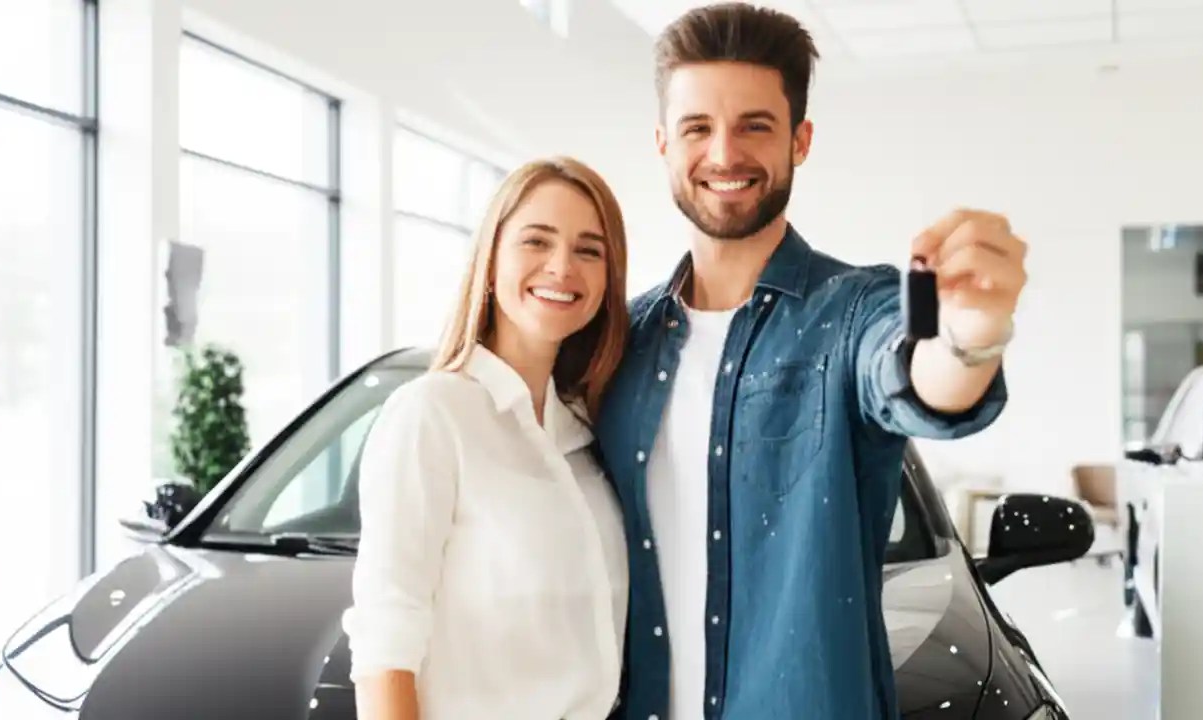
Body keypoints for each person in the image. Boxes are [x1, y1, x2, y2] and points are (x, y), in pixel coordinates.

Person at [595, 3, 1028, 719]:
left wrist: (970, 331)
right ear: (664, 142)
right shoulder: (621, 342)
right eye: (698, 128)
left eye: (755, 126)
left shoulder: (854, 311)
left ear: (800, 140)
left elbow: (919, 379)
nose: (725, 154)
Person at [342, 156, 632, 720]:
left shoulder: (588, 438)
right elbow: (384, 642)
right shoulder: (432, 415)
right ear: (491, 257)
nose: (562, 267)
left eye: (589, 250)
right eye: (536, 242)